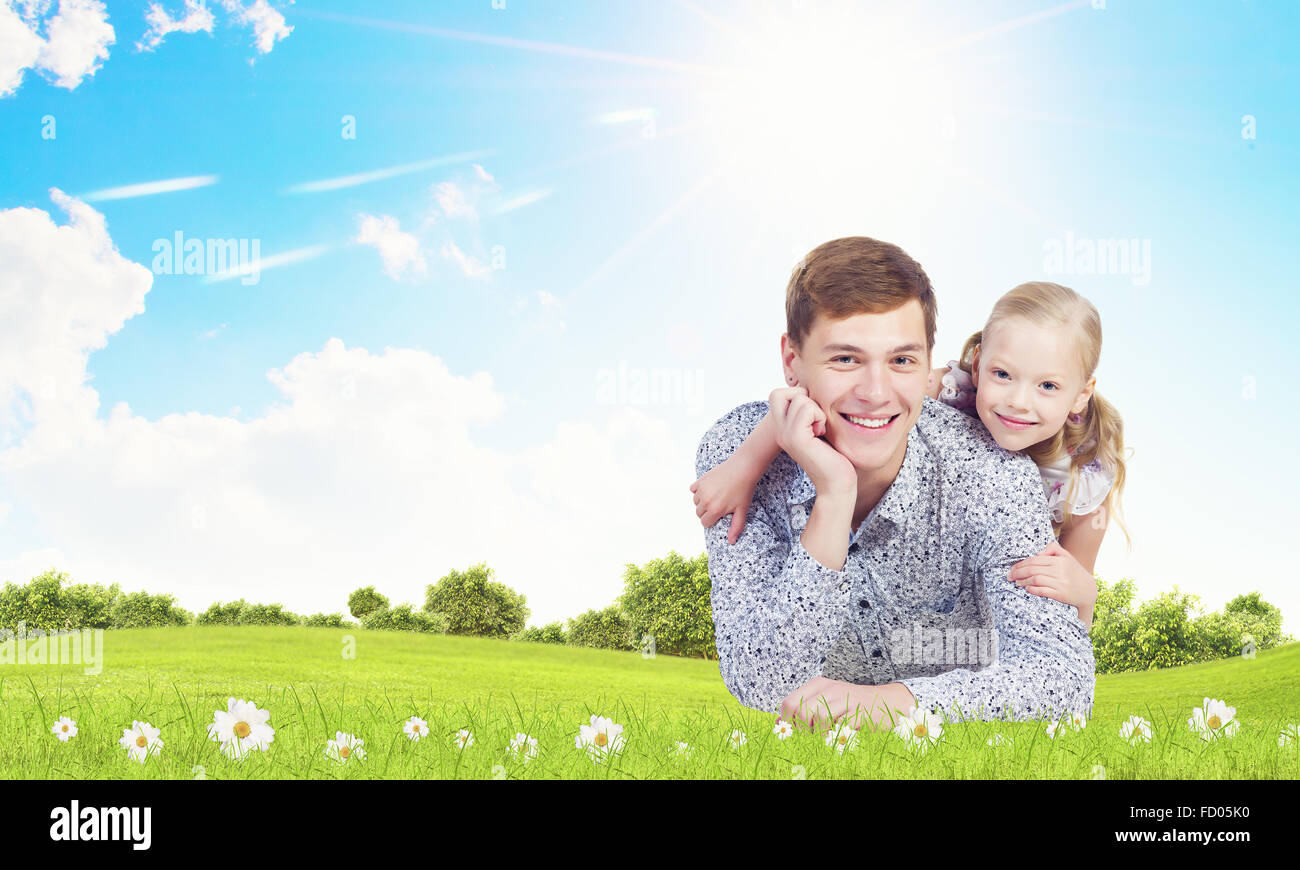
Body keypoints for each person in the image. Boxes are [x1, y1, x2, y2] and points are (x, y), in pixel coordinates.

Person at [692, 237, 1094, 733]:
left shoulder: (995, 472)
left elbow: (1064, 679)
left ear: (929, 363)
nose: (876, 394)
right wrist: (833, 500)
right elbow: (761, 682)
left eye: (902, 361)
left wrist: (891, 704)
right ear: (792, 361)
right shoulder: (733, 454)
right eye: (845, 359)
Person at [697, 280, 1130, 631]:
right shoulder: (943, 389)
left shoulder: (1087, 473)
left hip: (1003, 582)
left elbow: (1069, 608)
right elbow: (825, 401)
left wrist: (1086, 594)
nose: (1018, 401)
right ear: (978, 366)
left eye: (1048, 386)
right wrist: (744, 465)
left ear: (1081, 395)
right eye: (1002, 375)